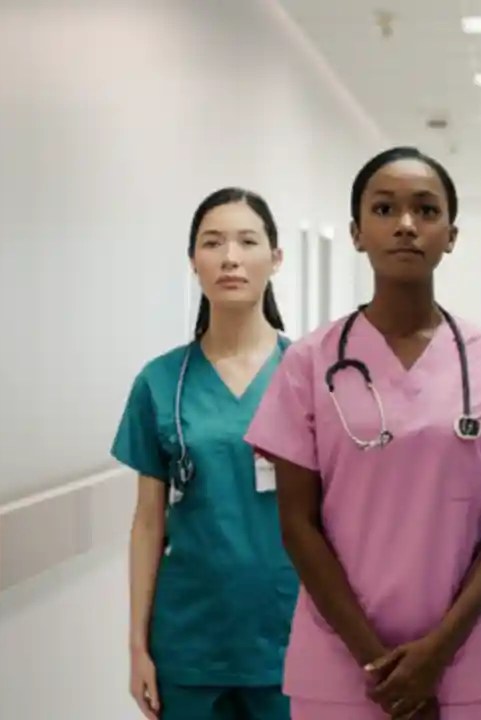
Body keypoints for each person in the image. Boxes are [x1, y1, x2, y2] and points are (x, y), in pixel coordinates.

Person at [244, 146, 481, 720]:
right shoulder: (310, 363)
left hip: (466, 658)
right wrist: (380, 665)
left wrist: (437, 655)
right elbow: (297, 522)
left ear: (452, 233)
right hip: (340, 661)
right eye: (385, 209)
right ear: (357, 232)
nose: (407, 225)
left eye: (426, 210)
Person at [114, 187, 297, 720]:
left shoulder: (311, 376)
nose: (230, 257)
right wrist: (136, 645)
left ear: (275, 258)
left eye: (247, 241)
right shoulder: (160, 381)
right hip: (190, 643)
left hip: (291, 632)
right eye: (212, 243)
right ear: (194, 261)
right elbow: (148, 523)